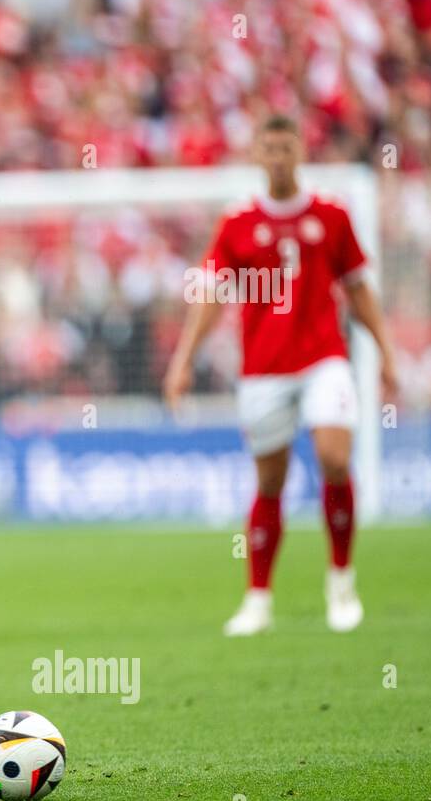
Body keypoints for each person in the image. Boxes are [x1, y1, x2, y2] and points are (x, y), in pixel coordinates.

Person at [164, 115, 399, 636]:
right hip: (264, 369)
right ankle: (258, 599)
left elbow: (359, 288)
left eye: (286, 147)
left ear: (300, 151)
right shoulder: (237, 223)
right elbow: (210, 298)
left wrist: (385, 352)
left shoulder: (331, 217)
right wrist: (182, 361)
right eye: (268, 148)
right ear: (257, 154)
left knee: (335, 458)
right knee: (270, 481)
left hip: (324, 359)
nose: (277, 157)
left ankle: (341, 581)